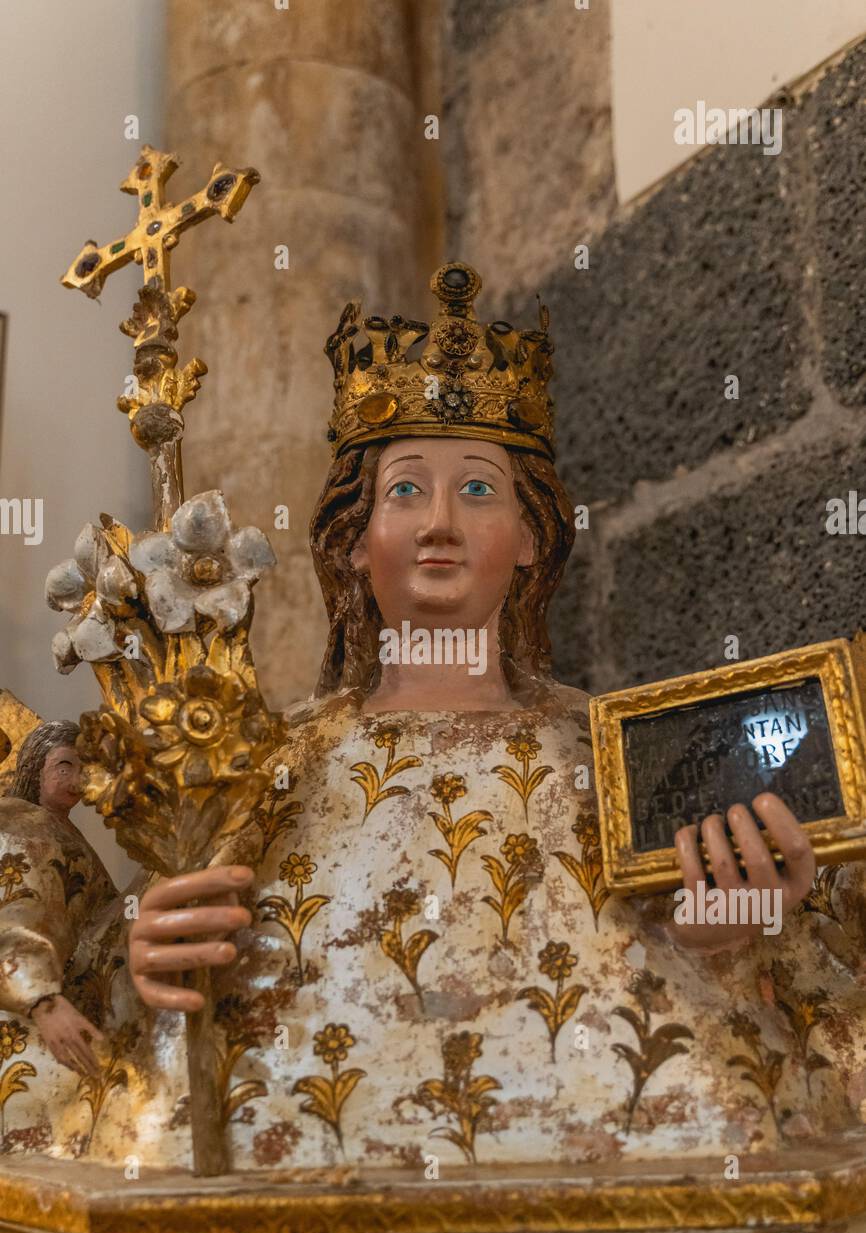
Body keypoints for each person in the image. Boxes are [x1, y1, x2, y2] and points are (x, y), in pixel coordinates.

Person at [112, 263, 865, 1173]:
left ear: (532, 537)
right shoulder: (262, 765)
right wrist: (156, 963)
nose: (439, 523)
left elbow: (741, 984)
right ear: (353, 542)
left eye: (476, 491)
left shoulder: (624, 749)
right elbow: (186, 1000)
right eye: (403, 492)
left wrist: (738, 923)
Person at [0, 722, 115, 1079]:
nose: (75, 780)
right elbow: (17, 908)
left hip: (86, 991)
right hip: (33, 1017)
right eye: (64, 767)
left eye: (83, 770)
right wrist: (41, 999)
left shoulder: (66, 832)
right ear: (35, 768)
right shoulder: (18, 822)